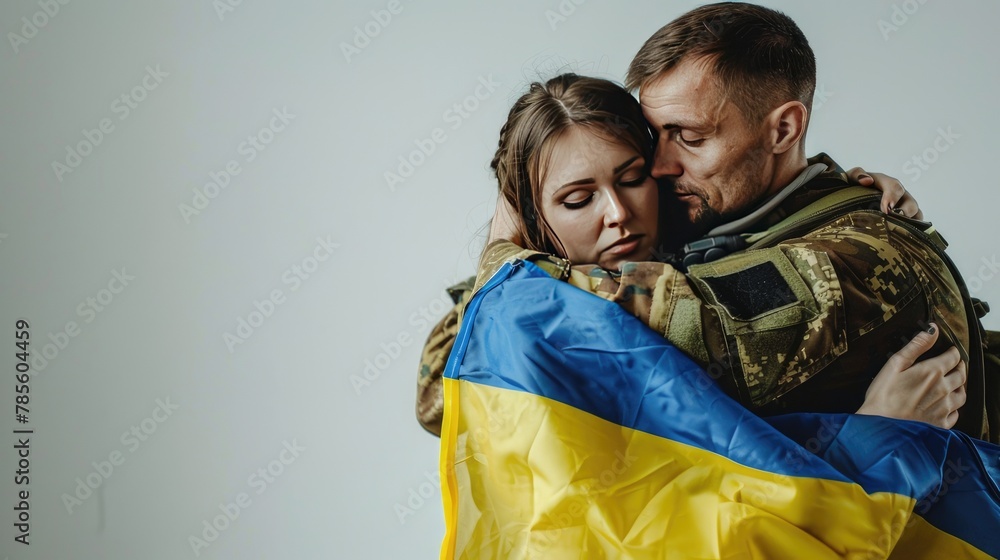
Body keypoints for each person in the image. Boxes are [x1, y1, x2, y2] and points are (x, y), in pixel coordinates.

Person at [418, 2, 993, 442]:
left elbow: (690, 322)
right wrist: (520, 199)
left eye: (690, 138)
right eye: (656, 139)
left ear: (784, 129)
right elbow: (442, 395)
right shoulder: (692, 222)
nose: (661, 167)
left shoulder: (868, 254)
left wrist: (503, 258)